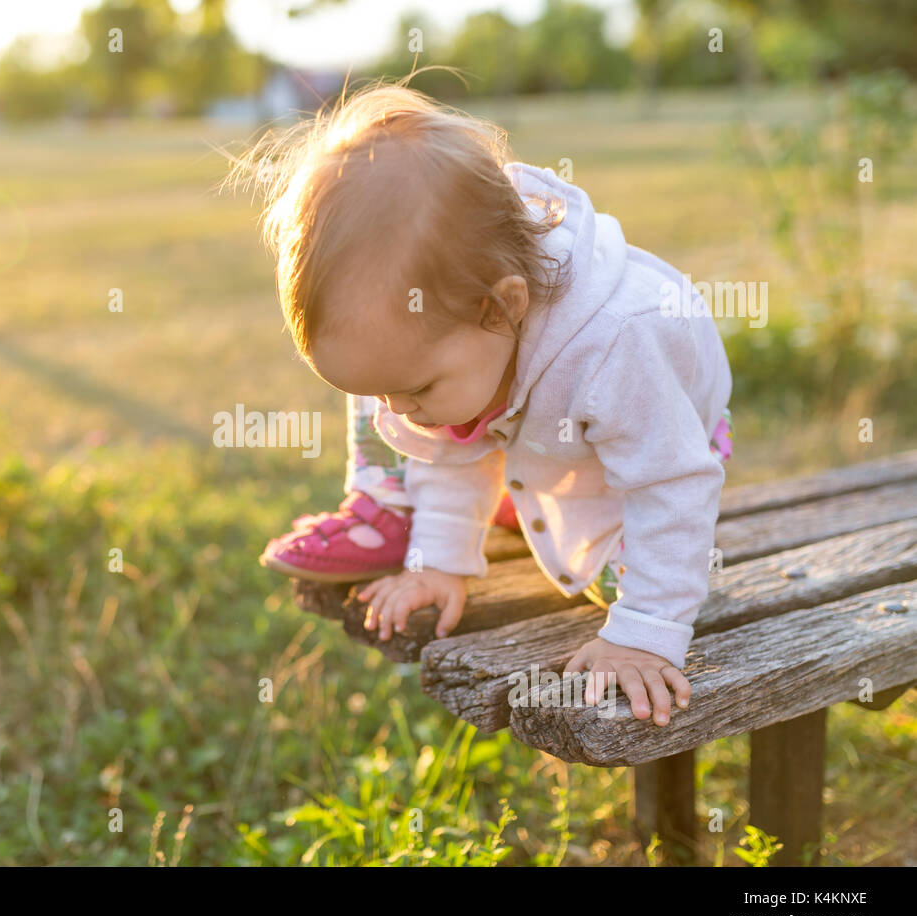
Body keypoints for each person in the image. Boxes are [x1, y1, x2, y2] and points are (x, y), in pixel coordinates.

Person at [227, 80, 733, 727]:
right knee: (459, 424)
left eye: (414, 389)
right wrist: (439, 562)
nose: (397, 414)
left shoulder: (618, 342)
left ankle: (554, 505)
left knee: (618, 576)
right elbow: (444, 449)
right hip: (554, 423)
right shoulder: (459, 346)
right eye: (379, 394)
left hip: (666, 440)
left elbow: (672, 481)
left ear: (504, 306)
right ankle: (516, 485)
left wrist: (644, 633)